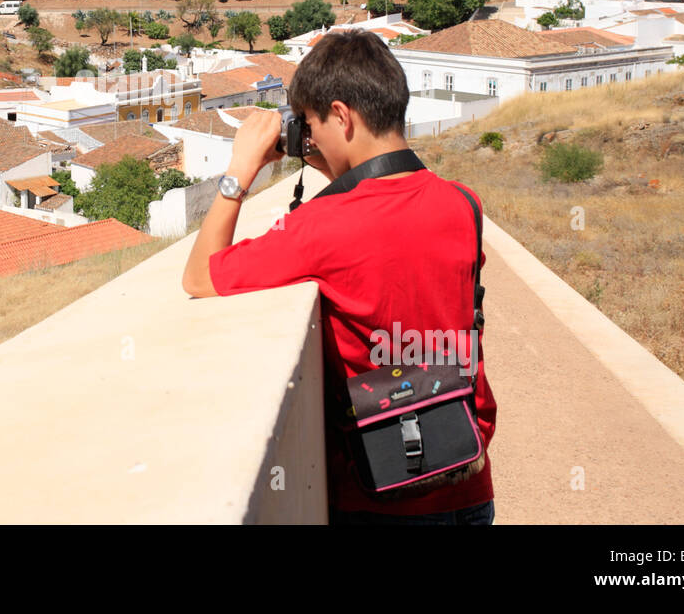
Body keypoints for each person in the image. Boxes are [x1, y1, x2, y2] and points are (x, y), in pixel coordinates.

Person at [182, 30, 496, 525]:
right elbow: (385, 216)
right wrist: (335, 161)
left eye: (311, 124)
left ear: (342, 116)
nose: (308, 138)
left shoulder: (317, 229)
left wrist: (238, 174)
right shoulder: (463, 203)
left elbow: (200, 277)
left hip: (380, 493)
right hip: (466, 479)